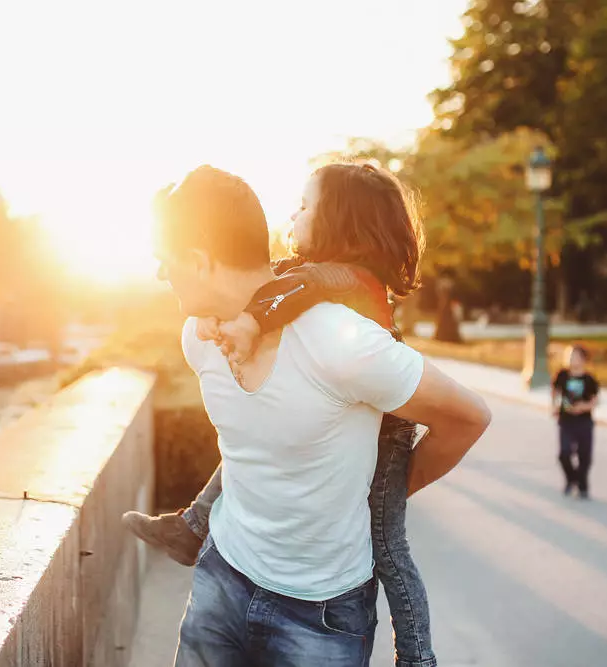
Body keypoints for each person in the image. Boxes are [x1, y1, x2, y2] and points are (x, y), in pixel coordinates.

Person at [144, 164, 491, 666]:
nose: (159, 274)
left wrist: (384, 489)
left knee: (392, 550)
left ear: (197, 261)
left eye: (164, 260)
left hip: (320, 616)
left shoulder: (339, 339)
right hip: (221, 577)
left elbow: (469, 417)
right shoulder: (199, 338)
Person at [552, 344, 599, 498]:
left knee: (584, 456)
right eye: (570, 356)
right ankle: (572, 479)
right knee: (564, 454)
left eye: (576, 356)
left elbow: (595, 400)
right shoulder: (562, 375)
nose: (572, 359)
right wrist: (554, 406)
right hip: (566, 421)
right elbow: (555, 391)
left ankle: (582, 486)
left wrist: (583, 407)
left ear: (584, 359)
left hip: (584, 422)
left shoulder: (589, 379)